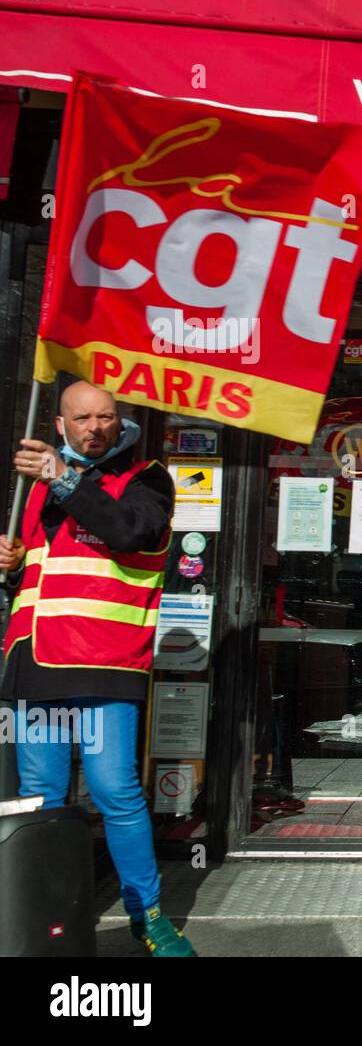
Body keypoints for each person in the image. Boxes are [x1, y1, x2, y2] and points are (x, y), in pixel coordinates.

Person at [0, 381, 193, 957]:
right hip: (35, 662)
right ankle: (42, 915)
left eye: (105, 417)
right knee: (41, 797)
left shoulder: (145, 478)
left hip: (105, 661)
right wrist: (9, 561)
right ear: (60, 424)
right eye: (81, 418)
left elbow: (132, 531)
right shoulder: (31, 488)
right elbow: (34, 571)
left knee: (115, 791)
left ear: (119, 421)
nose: (94, 427)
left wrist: (63, 477)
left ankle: (148, 917)